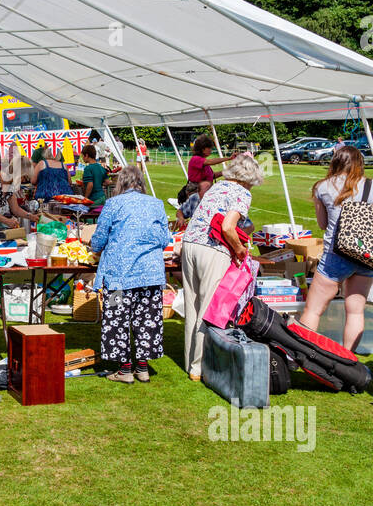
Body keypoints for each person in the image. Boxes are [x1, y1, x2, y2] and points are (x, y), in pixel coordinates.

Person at [178, 152, 265, 381]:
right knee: (208, 309)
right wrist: (239, 249)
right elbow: (228, 226)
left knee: (192, 306)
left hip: (190, 244)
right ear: (248, 179)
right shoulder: (241, 193)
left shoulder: (217, 187)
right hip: (212, 249)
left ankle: (190, 360)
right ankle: (200, 367)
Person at [89, 166, 172, 382]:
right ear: (140, 183)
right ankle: (142, 368)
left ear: (121, 183)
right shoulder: (156, 204)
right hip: (150, 274)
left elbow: (98, 240)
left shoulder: (113, 204)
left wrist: (93, 247)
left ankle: (125, 370)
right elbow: (165, 239)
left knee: (117, 319)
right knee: (147, 321)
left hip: (118, 276)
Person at [298, 146, 373, 351]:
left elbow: (322, 224)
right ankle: (347, 361)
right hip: (365, 254)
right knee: (355, 312)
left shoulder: (322, 187)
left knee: (313, 310)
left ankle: (300, 354)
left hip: (335, 253)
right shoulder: (372, 186)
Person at [187, 135, 233, 201]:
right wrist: (229, 158)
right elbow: (211, 161)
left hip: (204, 191)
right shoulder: (196, 159)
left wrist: (226, 171)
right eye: (209, 148)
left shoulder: (203, 161)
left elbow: (212, 176)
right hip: (196, 192)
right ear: (202, 149)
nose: (211, 150)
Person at [79, 143, 108, 207]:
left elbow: (90, 185)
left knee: (88, 215)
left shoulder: (88, 168)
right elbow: (107, 182)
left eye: (83, 156)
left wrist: (85, 198)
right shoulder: (101, 167)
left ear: (86, 155)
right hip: (102, 197)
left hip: (94, 199)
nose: (83, 159)